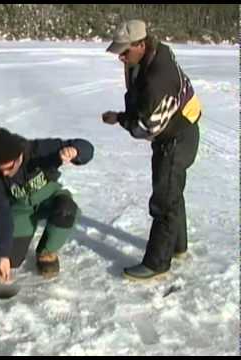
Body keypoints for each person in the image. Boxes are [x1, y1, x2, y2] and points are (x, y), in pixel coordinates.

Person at [102, 20, 201, 280]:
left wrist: (121, 119)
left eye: (124, 51)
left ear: (141, 44)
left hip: (177, 138)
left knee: (164, 200)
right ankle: (178, 246)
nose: (121, 57)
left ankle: (158, 263)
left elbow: (146, 128)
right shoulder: (152, 53)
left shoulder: (157, 80)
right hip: (181, 130)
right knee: (173, 190)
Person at [0, 127, 94, 282]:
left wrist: (76, 151)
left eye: (8, 168)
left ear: (19, 157)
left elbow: (87, 147)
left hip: (49, 198)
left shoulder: (40, 150)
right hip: (22, 210)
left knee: (66, 210)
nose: (4, 173)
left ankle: (46, 251)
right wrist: (3, 254)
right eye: (0, 169)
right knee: (12, 260)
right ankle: (22, 236)